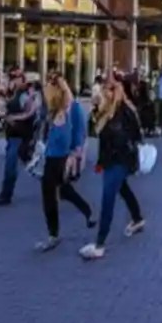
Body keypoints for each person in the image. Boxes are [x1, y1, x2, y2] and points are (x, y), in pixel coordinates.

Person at [80, 78, 147, 260]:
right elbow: (94, 131)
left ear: (114, 92)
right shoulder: (105, 111)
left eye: (106, 91)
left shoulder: (125, 112)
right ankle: (137, 218)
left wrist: (125, 146)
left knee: (108, 198)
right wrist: (95, 110)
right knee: (123, 189)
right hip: (110, 160)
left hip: (121, 160)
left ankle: (100, 243)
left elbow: (135, 136)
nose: (102, 94)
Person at [36, 76, 95, 252]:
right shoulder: (52, 112)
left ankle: (54, 234)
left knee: (55, 193)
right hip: (51, 157)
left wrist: (76, 153)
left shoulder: (71, 110)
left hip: (62, 158)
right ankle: (86, 212)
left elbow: (78, 133)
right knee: (62, 191)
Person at [0, 69, 41, 206]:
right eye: (11, 77)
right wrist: (2, 114)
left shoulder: (26, 94)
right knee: (30, 166)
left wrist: (14, 117)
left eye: (16, 78)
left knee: (19, 165)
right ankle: (57, 185)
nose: (13, 80)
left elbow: (31, 111)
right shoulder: (8, 94)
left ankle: (6, 194)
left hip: (23, 135)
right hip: (13, 134)